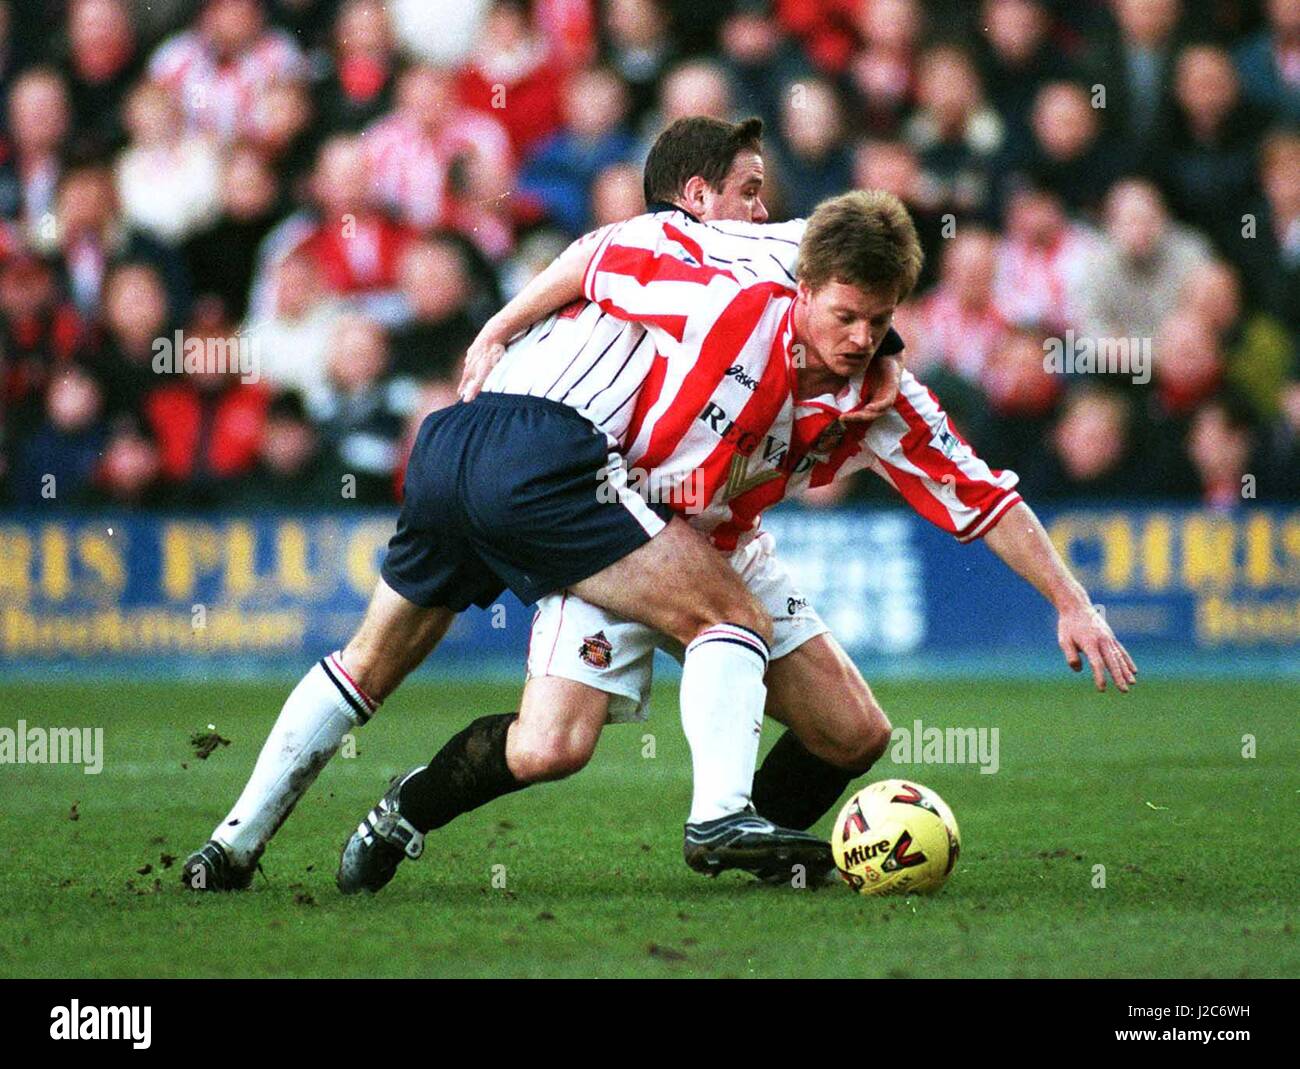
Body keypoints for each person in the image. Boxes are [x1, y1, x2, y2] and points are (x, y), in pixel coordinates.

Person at [335, 119, 1135, 895]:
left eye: (879, 322)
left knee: (853, 733)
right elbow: (600, 253)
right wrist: (500, 331)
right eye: (845, 316)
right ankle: (405, 808)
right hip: (621, 530)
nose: (860, 339)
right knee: (550, 747)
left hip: (726, 542)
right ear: (805, 288)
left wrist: (1072, 602)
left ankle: (746, 841)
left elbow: (986, 496)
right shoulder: (725, 297)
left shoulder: (886, 400)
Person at [180, 120, 842, 894]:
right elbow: (817, 253)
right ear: (697, 196)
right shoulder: (713, 251)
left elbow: (584, 257)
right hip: (552, 451)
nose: (761, 213)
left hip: (454, 440)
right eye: (749, 193)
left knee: (368, 662)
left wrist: (496, 326)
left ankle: (231, 845)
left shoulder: (618, 246)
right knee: (727, 615)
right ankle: (722, 817)